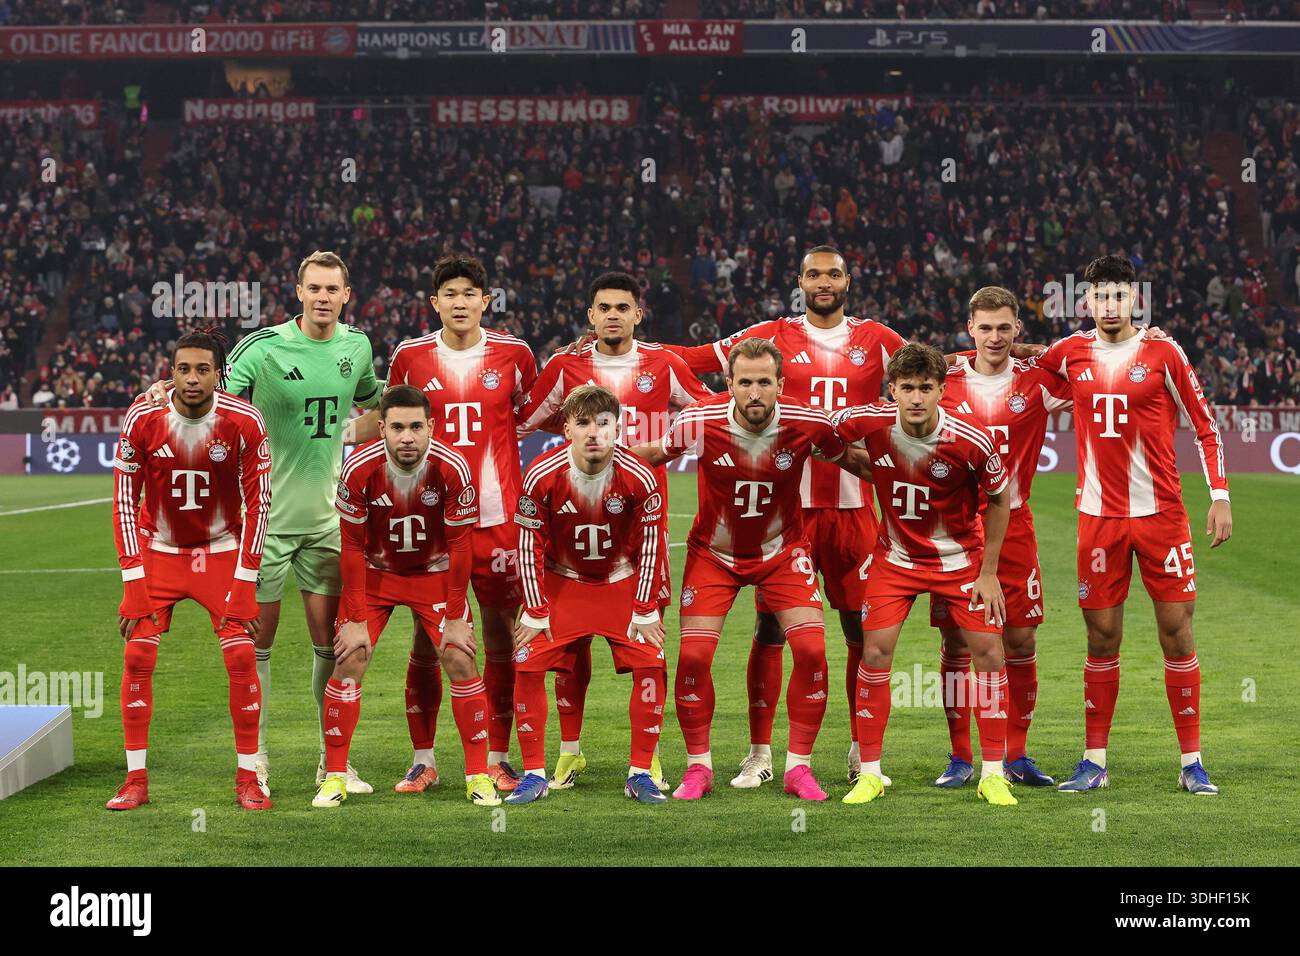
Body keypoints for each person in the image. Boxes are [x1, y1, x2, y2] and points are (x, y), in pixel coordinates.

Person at [143, 251, 384, 797]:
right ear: (298, 291)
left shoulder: (357, 346)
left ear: (347, 296)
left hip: (328, 520)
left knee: (332, 646)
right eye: (314, 288)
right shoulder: (264, 347)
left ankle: (332, 761)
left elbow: (374, 399)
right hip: (263, 523)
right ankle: (259, 759)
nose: (324, 297)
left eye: (333, 289)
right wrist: (164, 390)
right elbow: (208, 389)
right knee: (259, 642)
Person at [1032, 256, 1231, 795]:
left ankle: (1192, 762)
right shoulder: (1072, 353)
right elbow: (1022, 371)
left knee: (1177, 633)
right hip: (1098, 520)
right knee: (1101, 638)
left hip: (1163, 517)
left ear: (1133, 300)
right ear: (1087, 302)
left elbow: (1204, 425)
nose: (1111, 305)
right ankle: (1094, 762)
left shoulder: (1163, 351)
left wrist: (1220, 496)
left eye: (1120, 295)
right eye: (1101, 297)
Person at [632, 337, 863, 802]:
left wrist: (924, 473)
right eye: (744, 382)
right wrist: (583, 464)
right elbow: (651, 455)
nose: (754, 392)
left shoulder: (808, 422)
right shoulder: (698, 420)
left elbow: (855, 460)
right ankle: (700, 768)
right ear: (729, 384)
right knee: (694, 658)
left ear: (781, 383)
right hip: (713, 555)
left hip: (783, 553)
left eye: (764, 382)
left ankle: (799, 768)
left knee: (814, 652)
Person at [516, 270, 710, 791]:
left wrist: (663, 448)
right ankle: (569, 753)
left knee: (648, 642)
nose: (613, 316)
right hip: (571, 540)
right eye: (604, 307)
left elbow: (709, 410)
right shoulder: (565, 365)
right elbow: (523, 419)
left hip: (640, 531)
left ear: (637, 314)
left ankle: (646, 760)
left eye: (622, 307)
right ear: (591, 315)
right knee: (566, 655)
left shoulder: (663, 364)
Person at [352, 253, 538, 792]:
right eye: (449, 295)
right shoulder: (410, 357)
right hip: (429, 524)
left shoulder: (514, 354)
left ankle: (498, 756)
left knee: (500, 637)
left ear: (485, 300)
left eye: (469, 294)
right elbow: (387, 419)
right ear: (435, 303)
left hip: (498, 520)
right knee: (427, 640)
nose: (460, 303)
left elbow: (528, 416)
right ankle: (423, 759)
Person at [832, 343, 1017, 807]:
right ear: (892, 389)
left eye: (926, 388)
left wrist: (990, 572)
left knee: (990, 654)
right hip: (894, 559)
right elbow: (825, 436)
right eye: (907, 388)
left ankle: (993, 773)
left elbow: (999, 500)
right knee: (874, 651)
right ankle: (870, 773)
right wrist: (861, 464)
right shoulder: (871, 422)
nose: (916, 397)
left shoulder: (972, 439)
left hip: (961, 561)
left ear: (942, 389)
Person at [107, 330, 272, 811]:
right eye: (184, 369)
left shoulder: (244, 420)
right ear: (171, 371)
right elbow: (122, 501)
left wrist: (246, 581)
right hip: (159, 550)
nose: (193, 378)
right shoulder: (143, 416)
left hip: (222, 551)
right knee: (137, 657)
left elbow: (260, 503)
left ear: (219, 373)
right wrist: (132, 582)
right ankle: (135, 780)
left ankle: (247, 777)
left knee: (242, 659)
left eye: (203, 369)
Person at [319, 385, 500, 808]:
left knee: (459, 654)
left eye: (416, 427)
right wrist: (357, 617)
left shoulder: (452, 468)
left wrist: (455, 616)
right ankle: (335, 776)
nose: (407, 437)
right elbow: (351, 547)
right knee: (350, 657)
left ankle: (476, 774)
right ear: (380, 428)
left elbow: (460, 548)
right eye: (397, 427)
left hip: (434, 574)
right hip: (377, 574)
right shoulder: (359, 469)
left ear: (431, 427)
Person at [929, 287, 1073, 789]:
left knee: (1020, 638)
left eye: (1004, 328)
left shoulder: (1039, 382)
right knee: (957, 641)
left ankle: (1016, 754)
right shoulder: (941, 380)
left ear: (1018, 330)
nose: (994, 337)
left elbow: (1094, 366)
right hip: (954, 528)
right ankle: (961, 756)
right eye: (985, 327)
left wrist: (1041, 353)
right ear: (970, 328)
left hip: (1013, 524)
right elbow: (898, 380)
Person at [508, 385, 669, 806]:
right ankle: (532, 774)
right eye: (583, 423)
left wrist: (646, 608)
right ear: (566, 429)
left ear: (618, 427)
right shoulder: (541, 475)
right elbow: (529, 545)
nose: (593, 432)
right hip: (565, 581)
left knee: (652, 664)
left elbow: (652, 546)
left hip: (621, 580)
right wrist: (535, 610)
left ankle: (640, 772)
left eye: (602, 423)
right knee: (526, 665)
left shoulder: (641, 475)